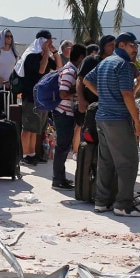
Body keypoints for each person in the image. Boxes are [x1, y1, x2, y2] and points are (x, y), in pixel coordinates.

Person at [86, 31, 140, 217]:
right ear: (122, 45)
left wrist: (103, 96)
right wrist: (137, 121)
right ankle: (123, 205)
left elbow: (87, 80)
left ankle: (101, 202)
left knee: (106, 162)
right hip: (118, 119)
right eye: (132, 45)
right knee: (128, 162)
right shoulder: (124, 65)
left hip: (102, 118)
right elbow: (127, 95)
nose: (135, 48)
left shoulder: (105, 62)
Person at [17, 29, 59, 165]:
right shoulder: (31, 56)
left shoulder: (45, 56)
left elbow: (59, 67)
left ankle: (32, 153)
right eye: (47, 42)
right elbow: (41, 70)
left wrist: (55, 52)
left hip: (42, 97)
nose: (49, 44)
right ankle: (24, 154)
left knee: (36, 127)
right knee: (28, 127)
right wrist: (46, 53)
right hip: (30, 96)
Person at [52, 43, 85, 191]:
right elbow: (63, 93)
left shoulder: (73, 70)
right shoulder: (70, 71)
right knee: (62, 146)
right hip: (63, 113)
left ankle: (60, 178)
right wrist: (79, 87)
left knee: (64, 147)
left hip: (66, 113)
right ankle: (58, 179)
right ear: (81, 57)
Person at [0, 28, 18, 92]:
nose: (9, 38)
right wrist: (1, 79)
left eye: (11, 36)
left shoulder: (14, 53)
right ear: (2, 38)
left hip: (11, 87)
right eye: (7, 36)